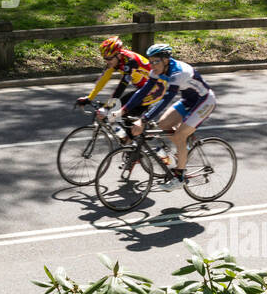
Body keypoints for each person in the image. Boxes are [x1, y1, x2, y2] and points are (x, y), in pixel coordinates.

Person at [116, 43, 216, 190]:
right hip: (188, 101)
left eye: (156, 61)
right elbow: (143, 92)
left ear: (166, 60)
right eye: (150, 61)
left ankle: (179, 177)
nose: (152, 65)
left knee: (180, 135)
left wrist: (143, 120)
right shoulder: (157, 69)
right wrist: (123, 110)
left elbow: (166, 100)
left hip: (205, 101)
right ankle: (184, 148)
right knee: (163, 124)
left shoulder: (178, 73)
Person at [75, 36, 155, 118]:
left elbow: (122, 86)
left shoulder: (130, 62)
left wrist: (107, 107)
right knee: (117, 112)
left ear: (119, 55)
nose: (107, 61)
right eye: (105, 58)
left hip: (155, 88)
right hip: (143, 88)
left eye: (109, 58)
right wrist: (89, 98)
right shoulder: (115, 60)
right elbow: (103, 79)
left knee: (120, 112)